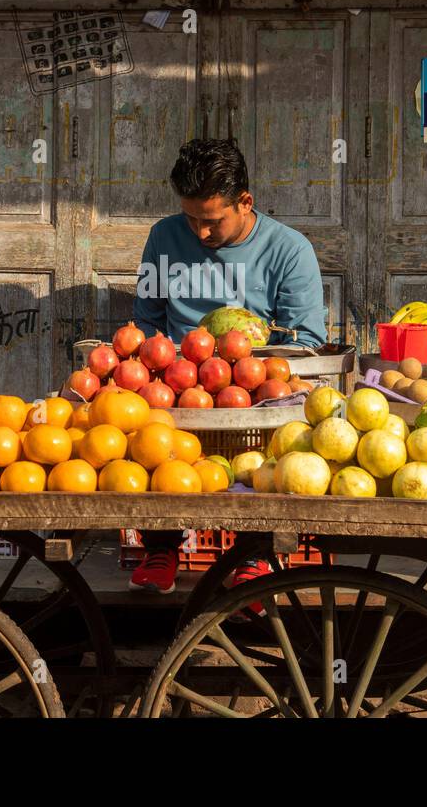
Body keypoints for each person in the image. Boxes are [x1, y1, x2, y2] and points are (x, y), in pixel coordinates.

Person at [127, 138, 327, 595]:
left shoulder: (289, 250)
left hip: (255, 403)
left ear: (245, 202)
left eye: (211, 220)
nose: (199, 232)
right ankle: (161, 545)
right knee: (153, 439)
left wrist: (247, 369)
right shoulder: (164, 236)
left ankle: (255, 555)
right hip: (179, 393)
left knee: (261, 462)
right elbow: (147, 321)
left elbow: (307, 343)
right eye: (191, 218)